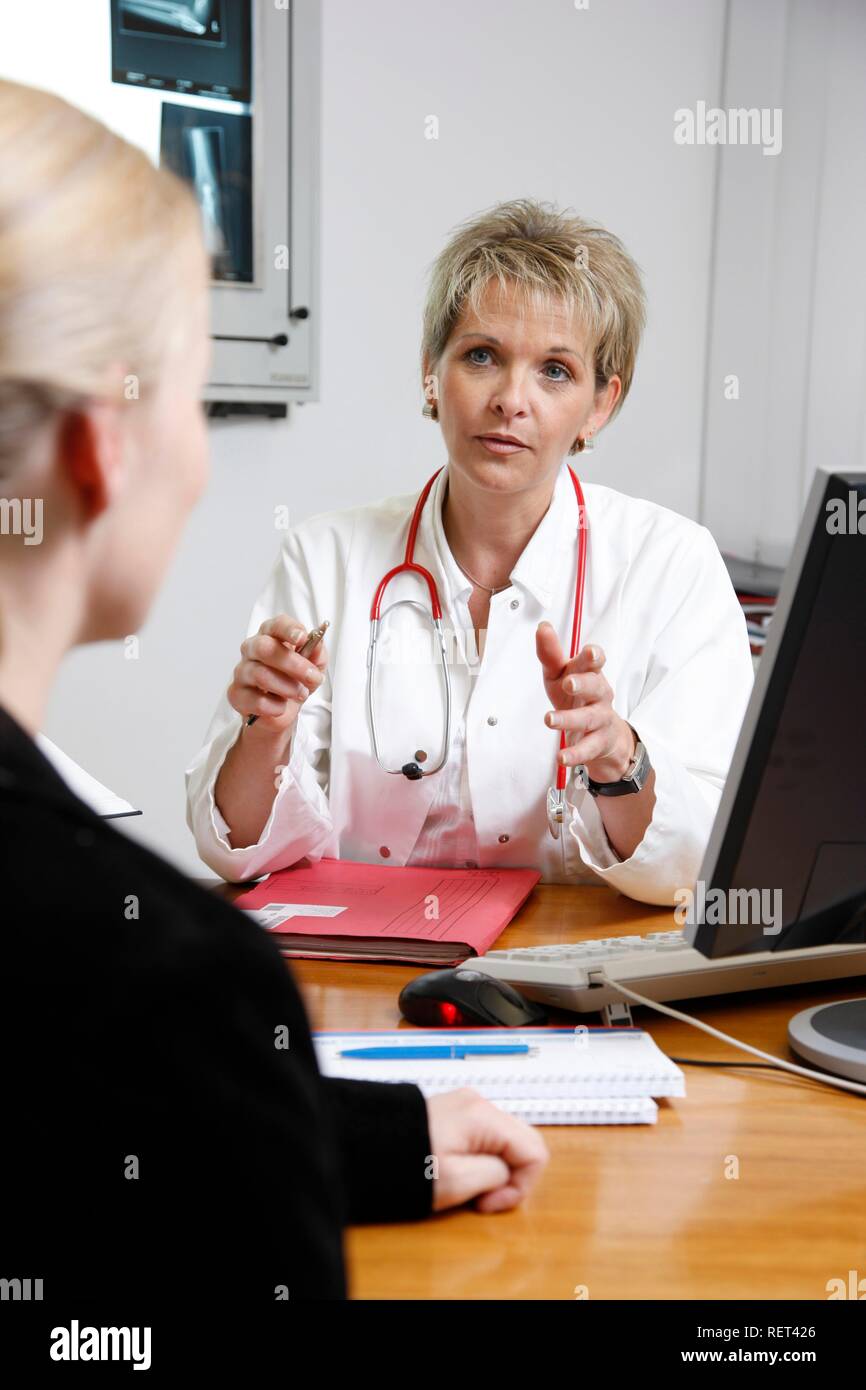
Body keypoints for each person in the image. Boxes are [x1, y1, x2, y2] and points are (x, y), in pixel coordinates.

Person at [0, 79, 548, 1335]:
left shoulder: (138, 1005)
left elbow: (78, 1112)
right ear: (104, 447)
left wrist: (360, 1132)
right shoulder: (163, 982)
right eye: (192, 399)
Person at [186, 200, 754, 902]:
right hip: (364, 964)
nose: (510, 400)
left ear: (600, 405)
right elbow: (234, 851)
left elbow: (703, 867)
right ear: (431, 372)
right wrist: (264, 732)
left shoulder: (671, 566)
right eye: (481, 356)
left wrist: (618, 757)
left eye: (555, 371)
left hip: (571, 974)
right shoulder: (323, 556)